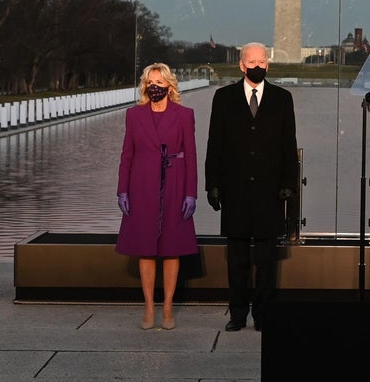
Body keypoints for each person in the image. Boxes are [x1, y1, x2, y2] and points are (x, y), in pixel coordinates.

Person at [205, 42, 298, 332]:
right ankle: (237, 314)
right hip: (235, 190)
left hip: (270, 190)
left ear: (267, 64)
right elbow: (215, 144)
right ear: (241, 65)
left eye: (262, 61)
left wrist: (288, 183)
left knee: (267, 261)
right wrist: (213, 184)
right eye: (252, 61)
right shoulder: (223, 98)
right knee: (238, 259)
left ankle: (263, 313)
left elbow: (288, 144)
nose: (258, 65)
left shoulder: (283, 98)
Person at [115, 63, 198, 330]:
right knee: (145, 249)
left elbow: (192, 157)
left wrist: (191, 193)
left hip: (174, 185)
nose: (155, 86)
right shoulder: (134, 115)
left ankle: (169, 307)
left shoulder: (185, 115)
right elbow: (127, 155)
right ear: (144, 85)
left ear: (169, 85)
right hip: (142, 186)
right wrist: (122, 189)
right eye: (150, 81)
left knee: (172, 248)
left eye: (160, 82)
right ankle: (149, 307)